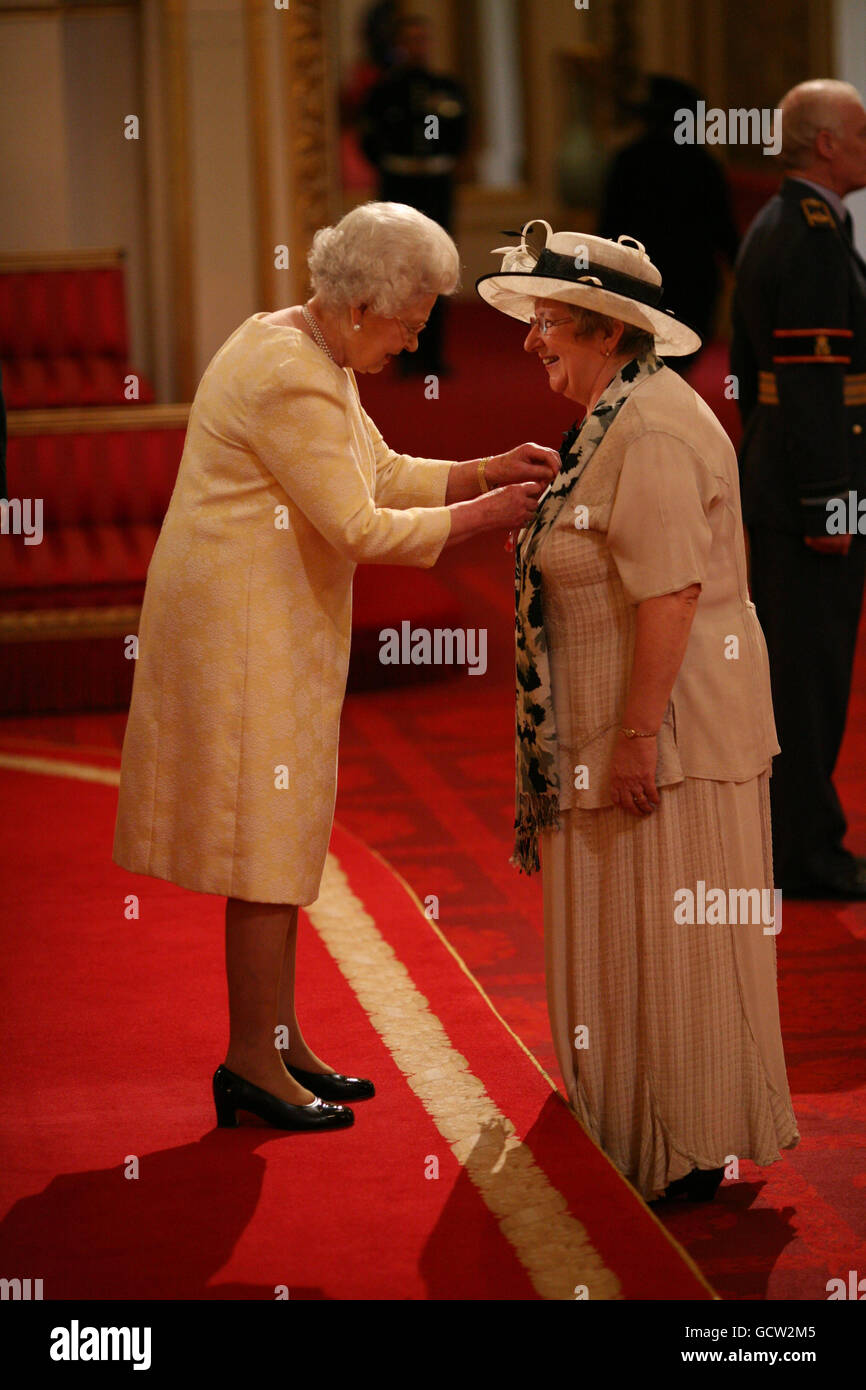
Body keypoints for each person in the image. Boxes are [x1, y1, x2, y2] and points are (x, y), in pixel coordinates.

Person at [113, 202, 558, 1134]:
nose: (415, 340)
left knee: (284, 832)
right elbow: (359, 526)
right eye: (409, 322)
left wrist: (478, 471)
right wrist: (489, 516)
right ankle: (247, 1062)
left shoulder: (305, 345)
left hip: (264, 619)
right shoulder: (293, 372)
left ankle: (278, 1040)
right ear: (360, 306)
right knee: (262, 844)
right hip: (240, 635)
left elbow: (376, 469)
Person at [477, 220, 799, 1202]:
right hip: (624, 729)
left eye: (546, 324)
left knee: (671, 943)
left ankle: (676, 1144)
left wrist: (628, 740)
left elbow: (669, 594)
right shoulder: (622, 411)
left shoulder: (652, 423)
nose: (531, 341)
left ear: (603, 331)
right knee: (640, 935)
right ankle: (633, 1117)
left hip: (668, 737)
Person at [731, 79, 866, 899]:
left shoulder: (788, 223)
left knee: (802, 671)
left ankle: (795, 838)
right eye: (861, 130)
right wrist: (829, 501)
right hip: (813, 494)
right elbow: (815, 387)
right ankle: (805, 850)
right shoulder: (810, 236)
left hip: (784, 480)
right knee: (808, 678)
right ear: (826, 144)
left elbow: (756, 381)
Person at [597, 75, 739, 373]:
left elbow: (607, 230)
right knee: (679, 364)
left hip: (638, 283)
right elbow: (724, 232)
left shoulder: (627, 162)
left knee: (642, 364)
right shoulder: (704, 165)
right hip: (694, 285)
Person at [359, 13, 468, 374]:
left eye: (423, 39)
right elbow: (368, 138)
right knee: (400, 268)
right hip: (400, 182)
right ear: (399, 46)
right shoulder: (383, 91)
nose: (417, 47)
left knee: (437, 267)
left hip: (435, 185)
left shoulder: (447, 87)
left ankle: (433, 354)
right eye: (410, 40)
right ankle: (403, 354)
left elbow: (462, 133)